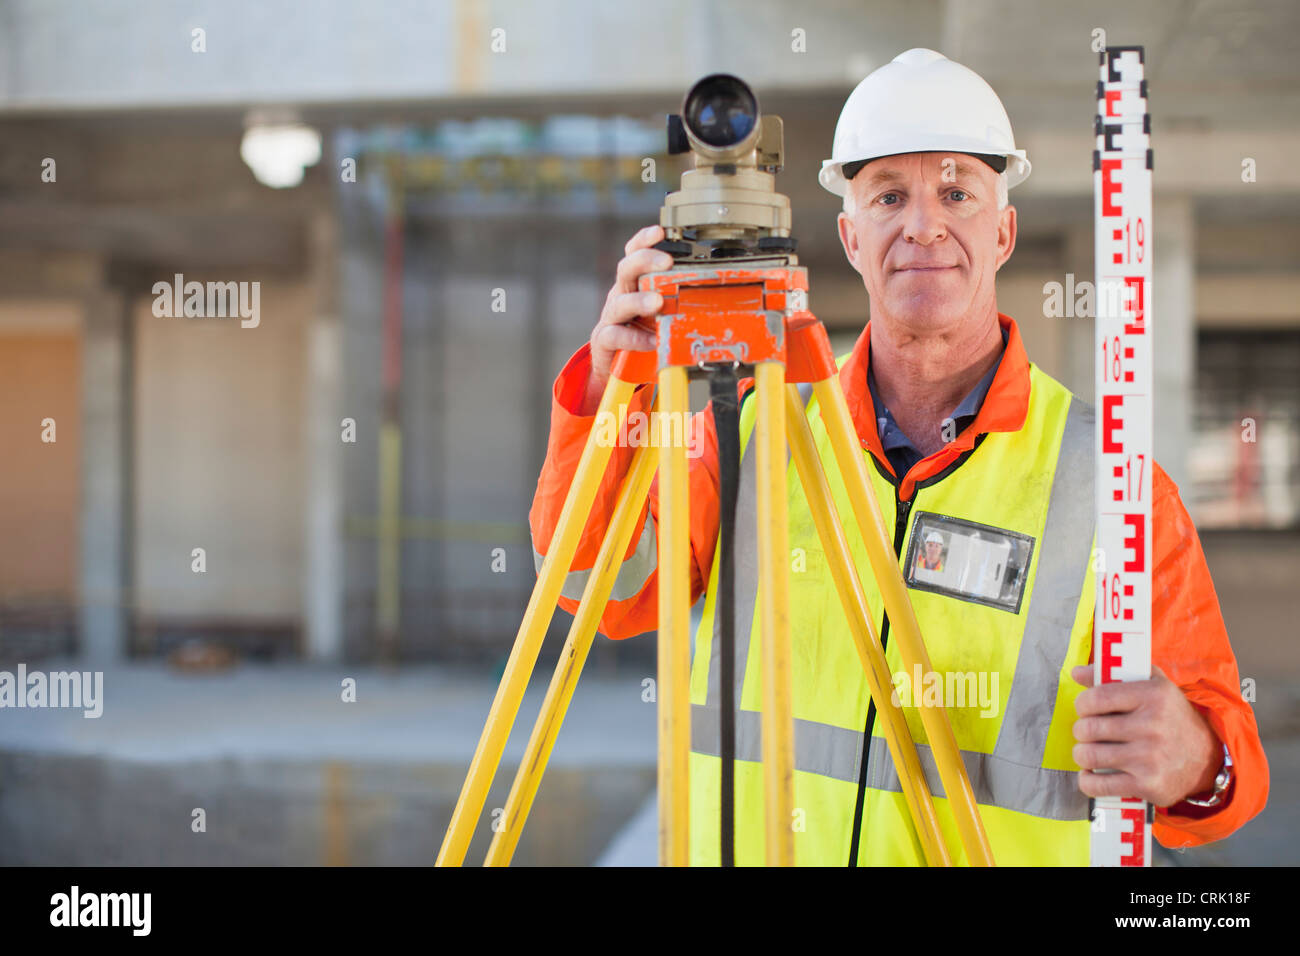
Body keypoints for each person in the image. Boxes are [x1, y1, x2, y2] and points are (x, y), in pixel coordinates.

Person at [529, 49, 1267, 865]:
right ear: (850, 235)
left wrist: (1197, 761)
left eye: (957, 193)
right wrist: (613, 393)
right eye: (889, 197)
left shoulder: (1112, 484)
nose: (924, 226)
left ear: (1004, 231)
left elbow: (1224, 771)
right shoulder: (748, 436)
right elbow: (604, 589)